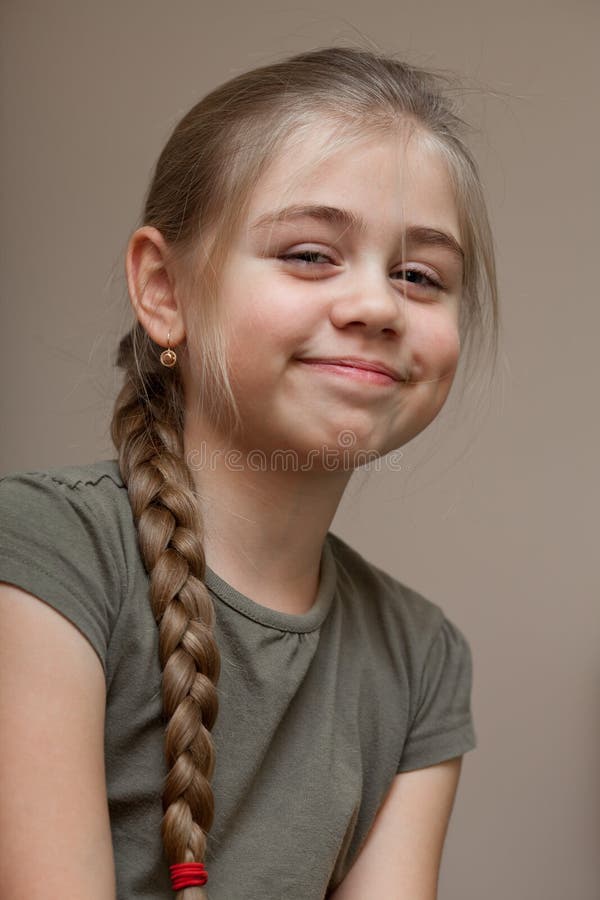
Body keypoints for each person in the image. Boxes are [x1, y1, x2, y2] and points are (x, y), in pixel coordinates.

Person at [0, 45, 498, 900]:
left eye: (419, 275)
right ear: (165, 291)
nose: (376, 305)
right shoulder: (45, 555)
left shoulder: (422, 657)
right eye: (309, 254)